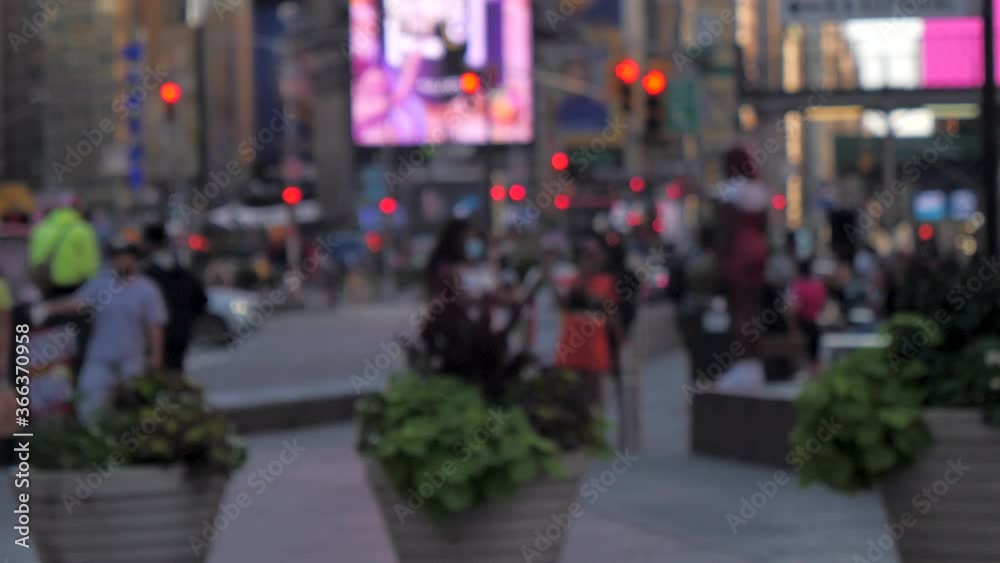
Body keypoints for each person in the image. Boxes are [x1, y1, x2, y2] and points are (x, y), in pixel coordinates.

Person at [32, 239, 167, 422]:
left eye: (125, 257)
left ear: (134, 259)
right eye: (117, 258)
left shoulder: (147, 289)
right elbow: (76, 303)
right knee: (88, 403)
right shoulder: (101, 284)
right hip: (101, 357)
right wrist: (47, 308)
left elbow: (155, 325)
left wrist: (156, 355)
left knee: (133, 409)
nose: (121, 262)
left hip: (131, 359)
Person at [554, 233, 622, 408]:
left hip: (594, 346)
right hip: (571, 345)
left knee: (594, 395)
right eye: (585, 255)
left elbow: (607, 310)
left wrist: (621, 343)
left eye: (593, 254)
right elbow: (562, 302)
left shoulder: (606, 281)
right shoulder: (571, 279)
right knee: (571, 395)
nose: (588, 259)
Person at [143, 224, 207, 372]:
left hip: (158, 336)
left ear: (148, 243)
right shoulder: (181, 270)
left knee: (157, 377)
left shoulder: (148, 275)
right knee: (175, 375)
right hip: (181, 333)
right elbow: (201, 300)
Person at [28, 198, 100, 298]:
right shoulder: (83, 230)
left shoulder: (39, 229)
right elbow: (89, 265)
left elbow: (34, 260)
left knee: (51, 310)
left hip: (47, 284)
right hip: (75, 285)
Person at [792, 260, 827, 374]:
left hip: (803, 324)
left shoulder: (798, 285)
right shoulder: (818, 286)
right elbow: (822, 304)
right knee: (814, 354)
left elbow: (796, 306)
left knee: (805, 353)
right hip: (815, 324)